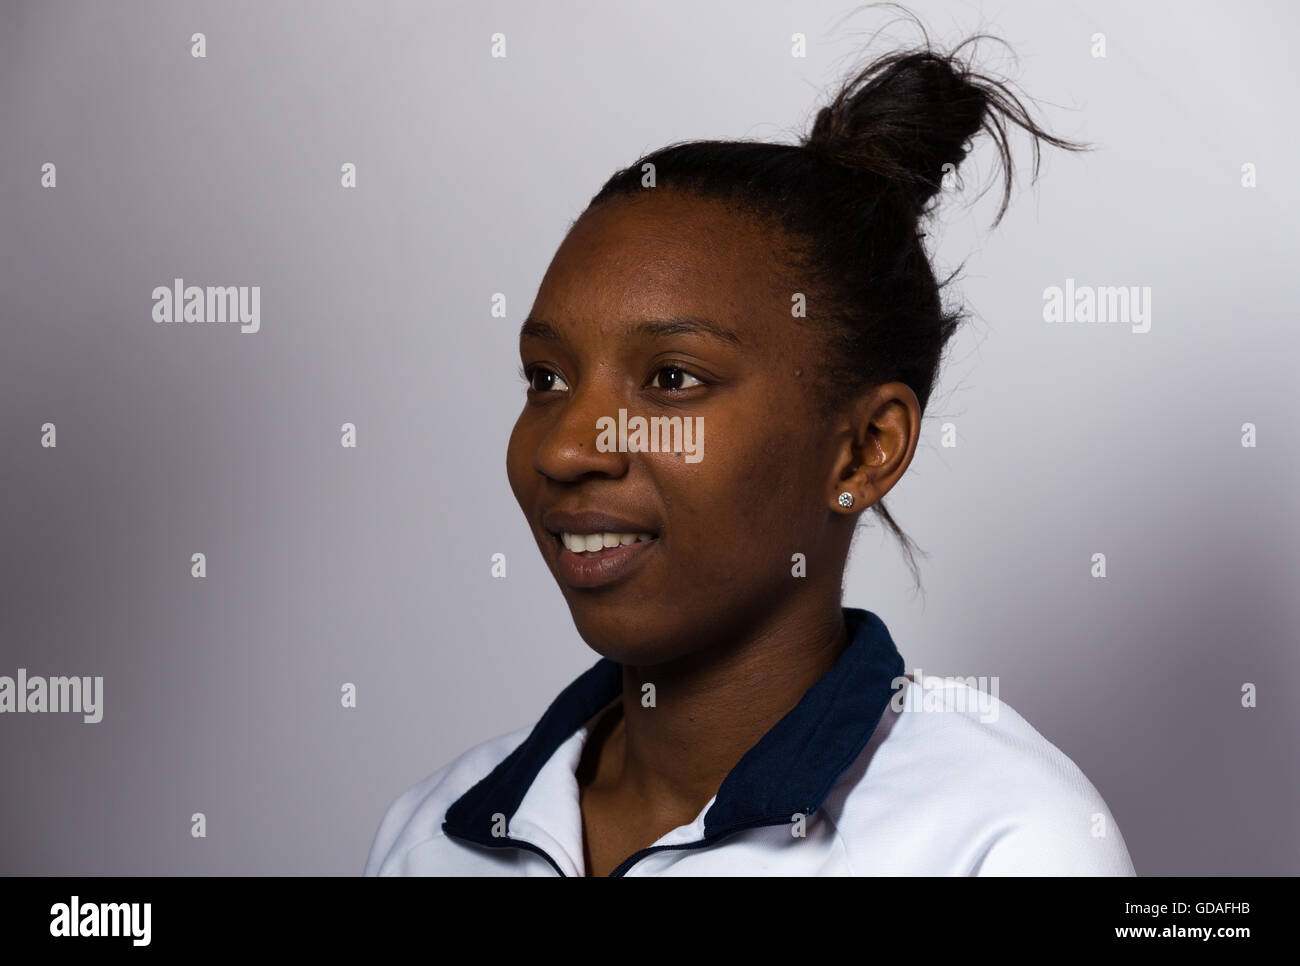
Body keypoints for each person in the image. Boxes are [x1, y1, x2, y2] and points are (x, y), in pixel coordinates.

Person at [365, 27, 1136, 876]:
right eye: (546, 378)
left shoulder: (1002, 840)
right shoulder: (433, 831)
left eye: (671, 377)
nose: (568, 448)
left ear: (863, 451)